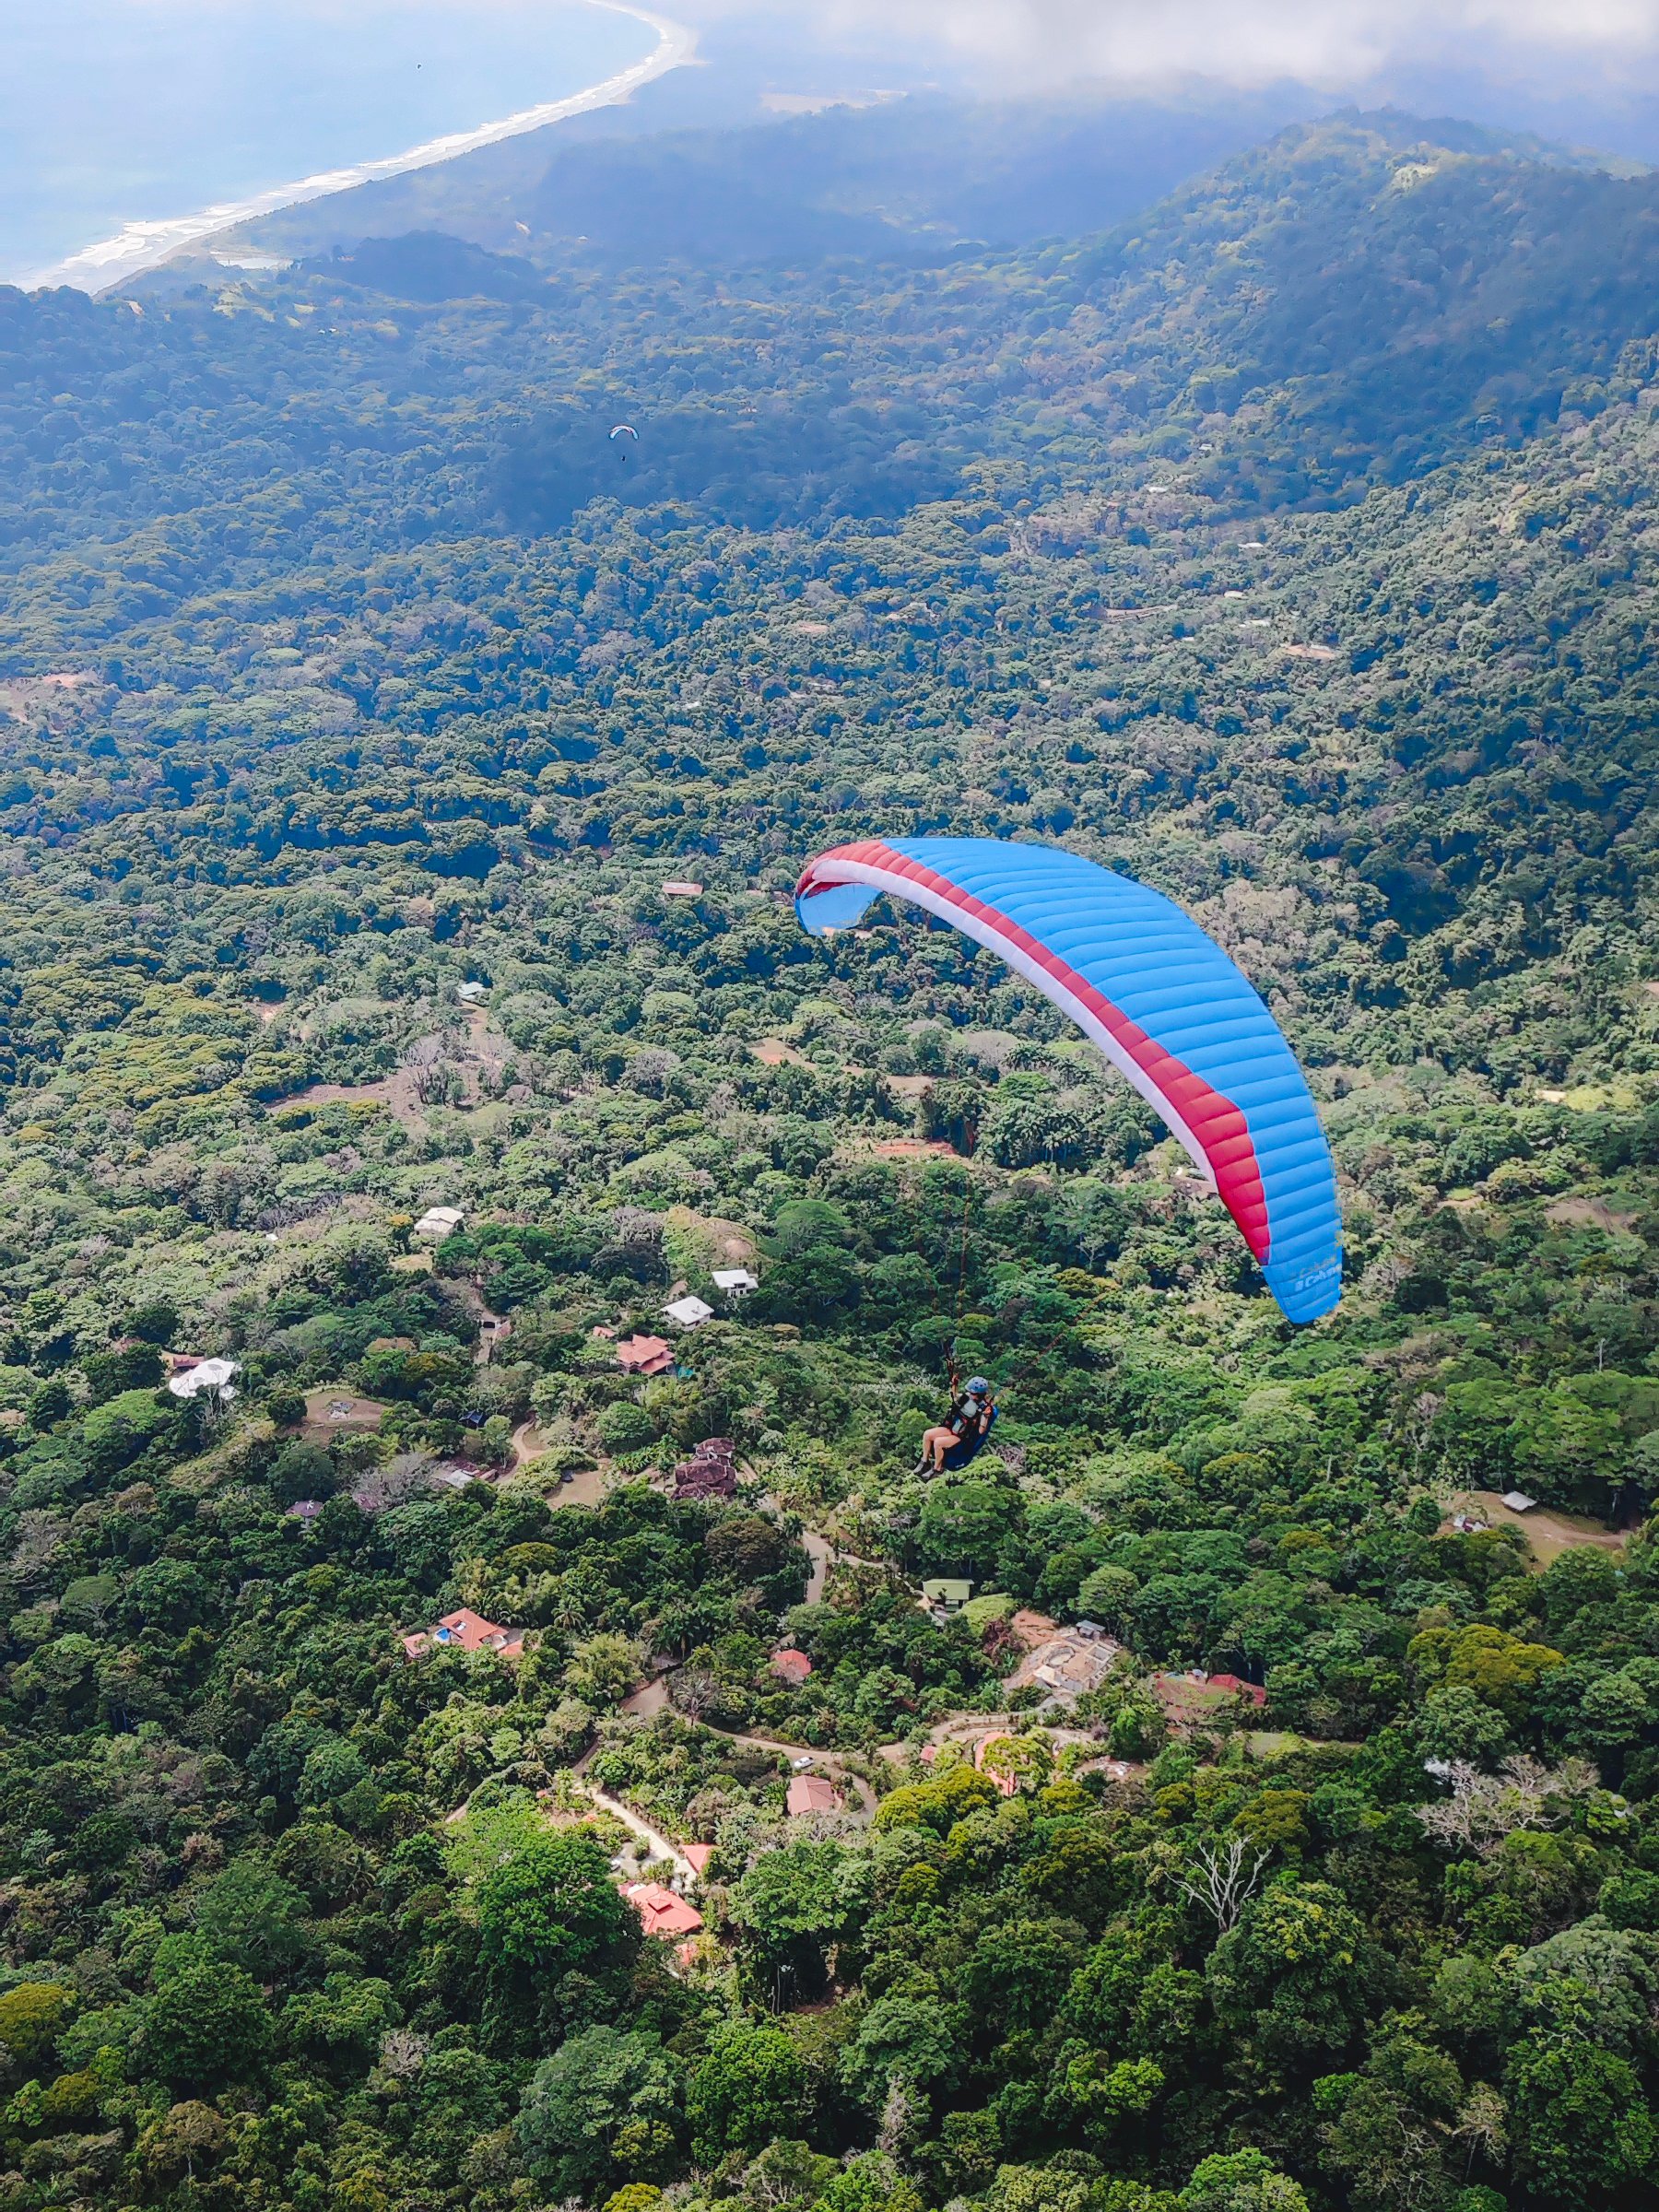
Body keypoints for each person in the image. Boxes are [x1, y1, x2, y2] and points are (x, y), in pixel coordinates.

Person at [918, 1376, 996, 1477]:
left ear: (980, 1395)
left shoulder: (983, 1408)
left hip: (961, 1435)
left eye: (974, 1394)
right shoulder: (966, 1397)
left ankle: (937, 1468)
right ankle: (924, 1461)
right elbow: (955, 1397)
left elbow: (981, 1431)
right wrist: (954, 1385)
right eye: (970, 1392)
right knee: (927, 1434)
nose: (971, 1395)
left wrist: (985, 1416)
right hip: (952, 1427)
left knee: (938, 1443)